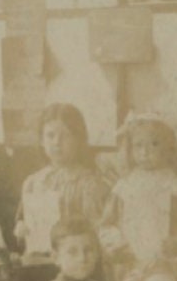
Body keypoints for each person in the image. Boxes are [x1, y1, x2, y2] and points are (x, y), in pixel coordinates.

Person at [100, 113, 177, 277]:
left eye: (154, 144)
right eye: (138, 145)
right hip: (131, 261)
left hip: (170, 261)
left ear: (168, 147)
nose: (145, 152)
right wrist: (118, 244)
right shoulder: (124, 186)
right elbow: (107, 222)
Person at [16, 102, 109, 261]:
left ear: (79, 140)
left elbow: (98, 231)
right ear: (41, 140)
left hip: (76, 262)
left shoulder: (89, 184)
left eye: (65, 135)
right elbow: (23, 224)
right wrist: (21, 230)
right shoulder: (33, 183)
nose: (57, 142)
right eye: (50, 135)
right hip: (38, 260)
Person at [35, 219, 116, 281]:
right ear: (56, 258)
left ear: (97, 253)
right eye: (72, 252)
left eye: (88, 250)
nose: (82, 258)